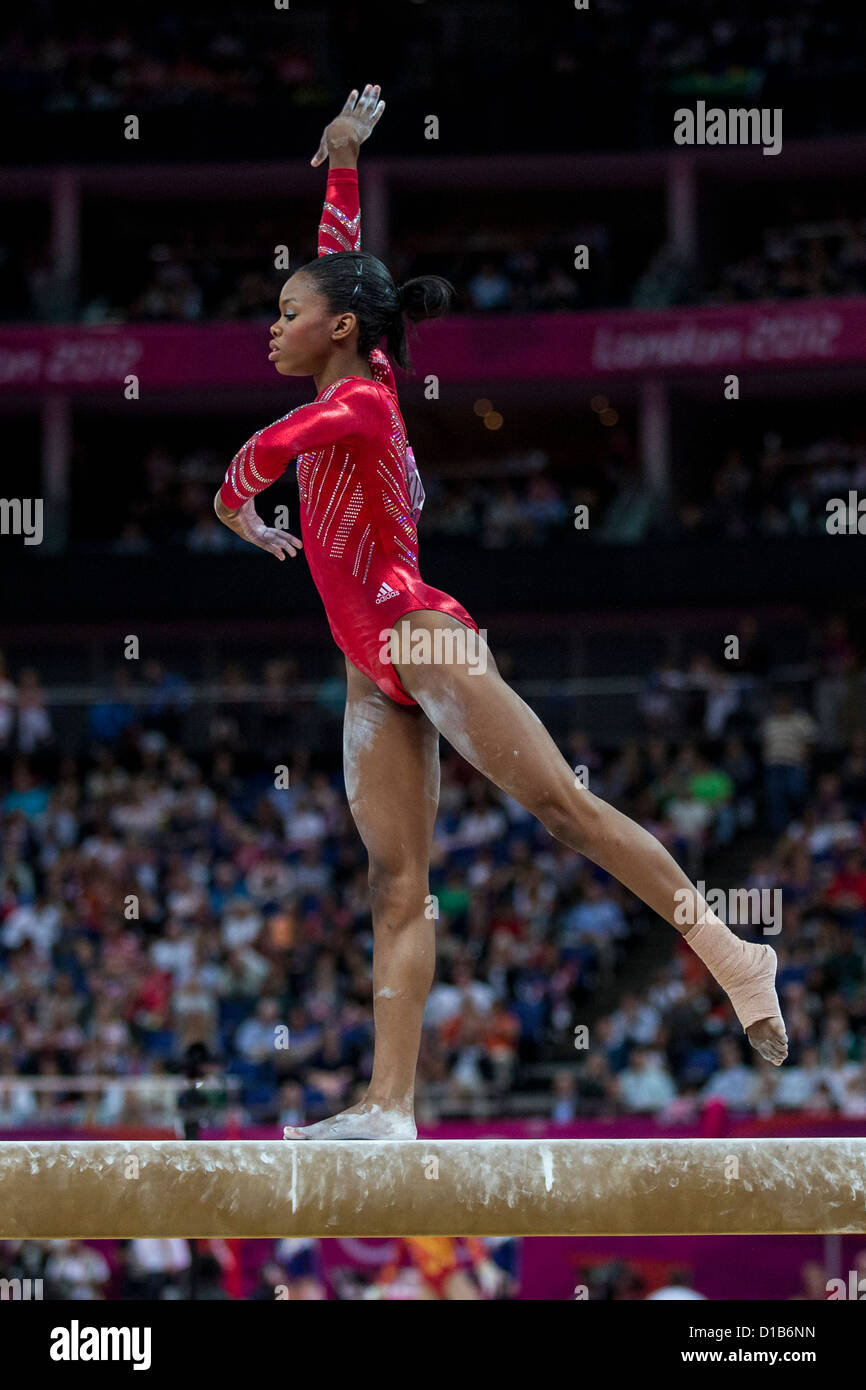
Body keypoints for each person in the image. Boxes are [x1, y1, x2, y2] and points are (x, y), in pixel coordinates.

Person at [214, 86, 787, 1141]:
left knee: (561, 811)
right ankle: (390, 1105)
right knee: (397, 885)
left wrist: (235, 505)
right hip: (364, 665)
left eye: (285, 313)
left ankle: (730, 952)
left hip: (418, 632)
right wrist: (342, 158)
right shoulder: (359, 351)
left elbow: (263, 453)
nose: (272, 322)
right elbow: (338, 260)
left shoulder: (362, 400)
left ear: (337, 330)